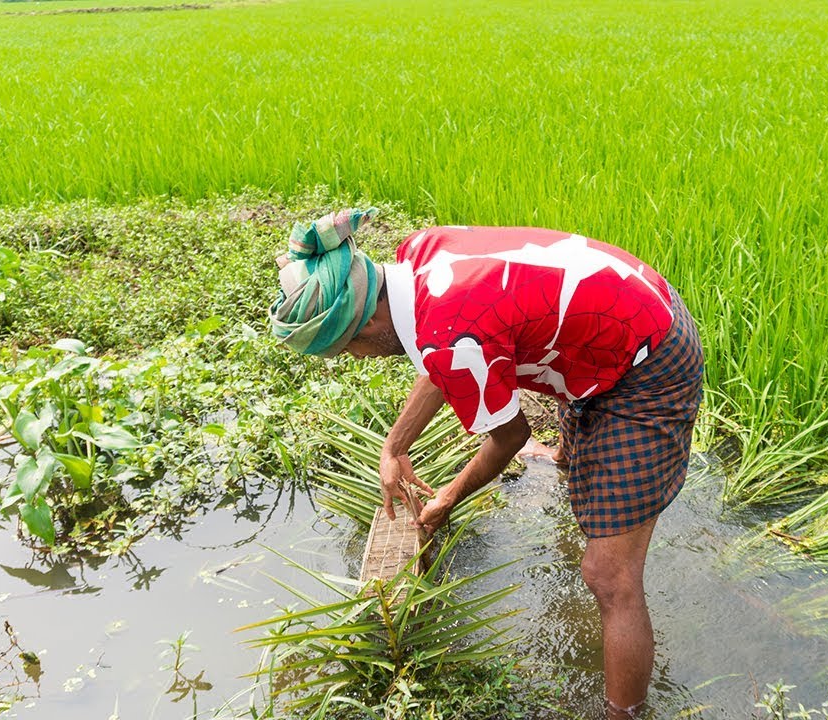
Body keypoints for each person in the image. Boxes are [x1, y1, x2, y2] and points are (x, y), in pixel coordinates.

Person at [270, 208, 704, 718]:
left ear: (368, 320)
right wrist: (394, 446)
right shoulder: (417, 258)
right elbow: (444, 347)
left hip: (649, 357)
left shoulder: (452, 335)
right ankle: (569, 459)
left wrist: (446, 501)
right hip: (612, 315)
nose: (358, 359)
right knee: (556, 363)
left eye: (351, 349)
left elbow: (509, 435)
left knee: (608, 576)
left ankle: (623, 713)